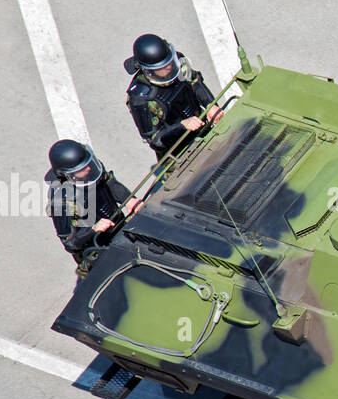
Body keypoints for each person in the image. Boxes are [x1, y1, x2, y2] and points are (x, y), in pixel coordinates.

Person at [45, 139, 140, 278]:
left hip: (117, 228)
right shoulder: (60, 203)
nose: (88, 168)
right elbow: (70, 243)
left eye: (88, 164)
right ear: (67, 175)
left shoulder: (90, 169)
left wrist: (130, 200)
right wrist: (93, 229)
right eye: (82, 169)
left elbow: (110, 183)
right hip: (95, 252)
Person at [125, 33, 223, 160]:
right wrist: (182, 126)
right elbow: (155, 140)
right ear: (149, 70)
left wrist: (210, 105)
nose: (169, 66)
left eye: (169, 61)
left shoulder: (177, 62)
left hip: (202, 125)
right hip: (178, 153)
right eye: (162, 66)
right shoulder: (140, 97)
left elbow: (195, 83)